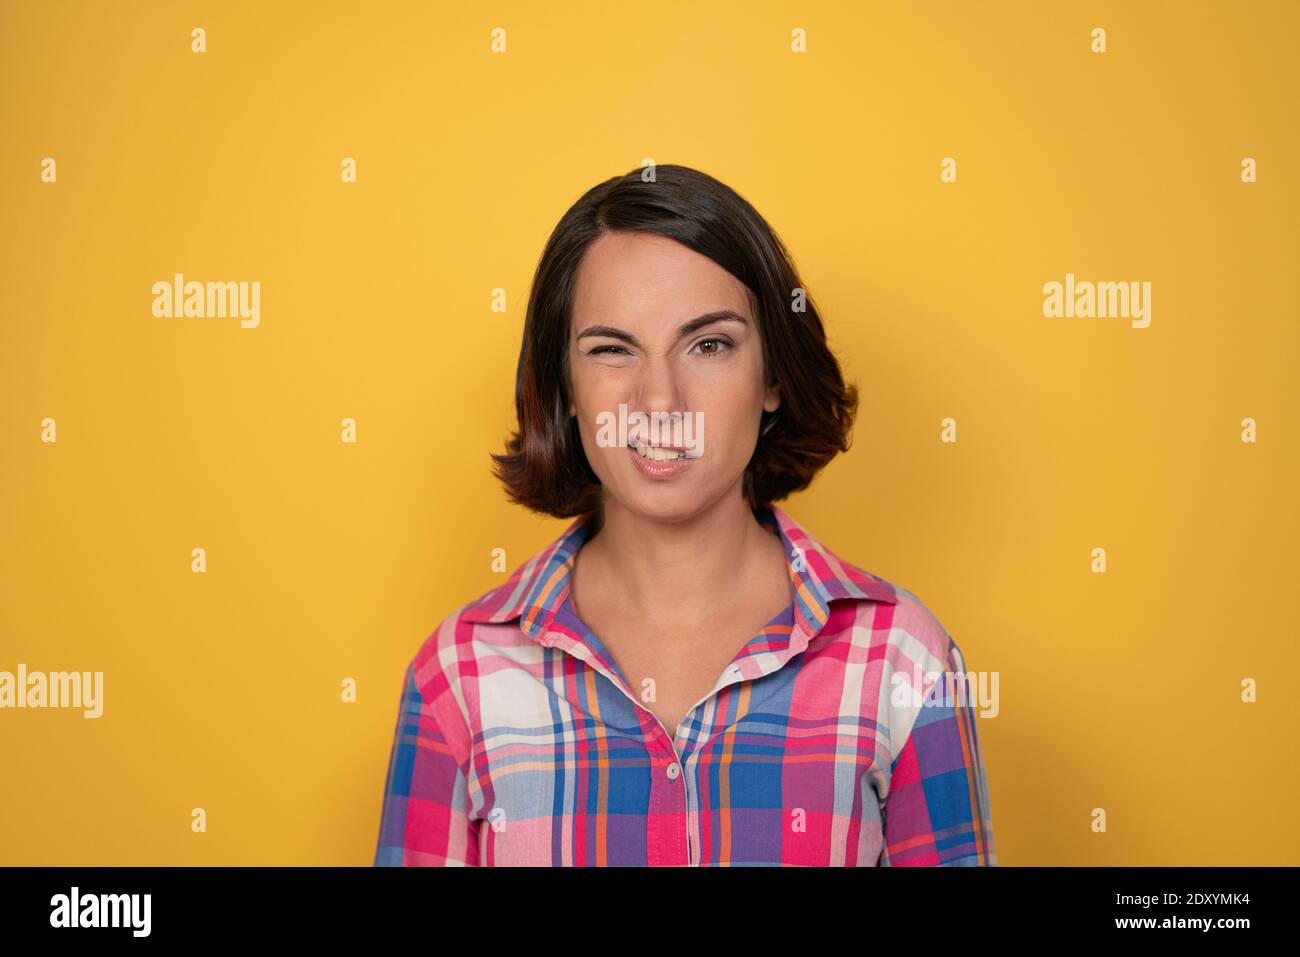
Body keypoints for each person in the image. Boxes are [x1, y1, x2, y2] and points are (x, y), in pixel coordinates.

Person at [374, 164, 996, 866]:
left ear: (773, 379)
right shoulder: (458, 675)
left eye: (709, 344)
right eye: (612, 350)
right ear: (566, 389)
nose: (661, 401)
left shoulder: (904, 661)